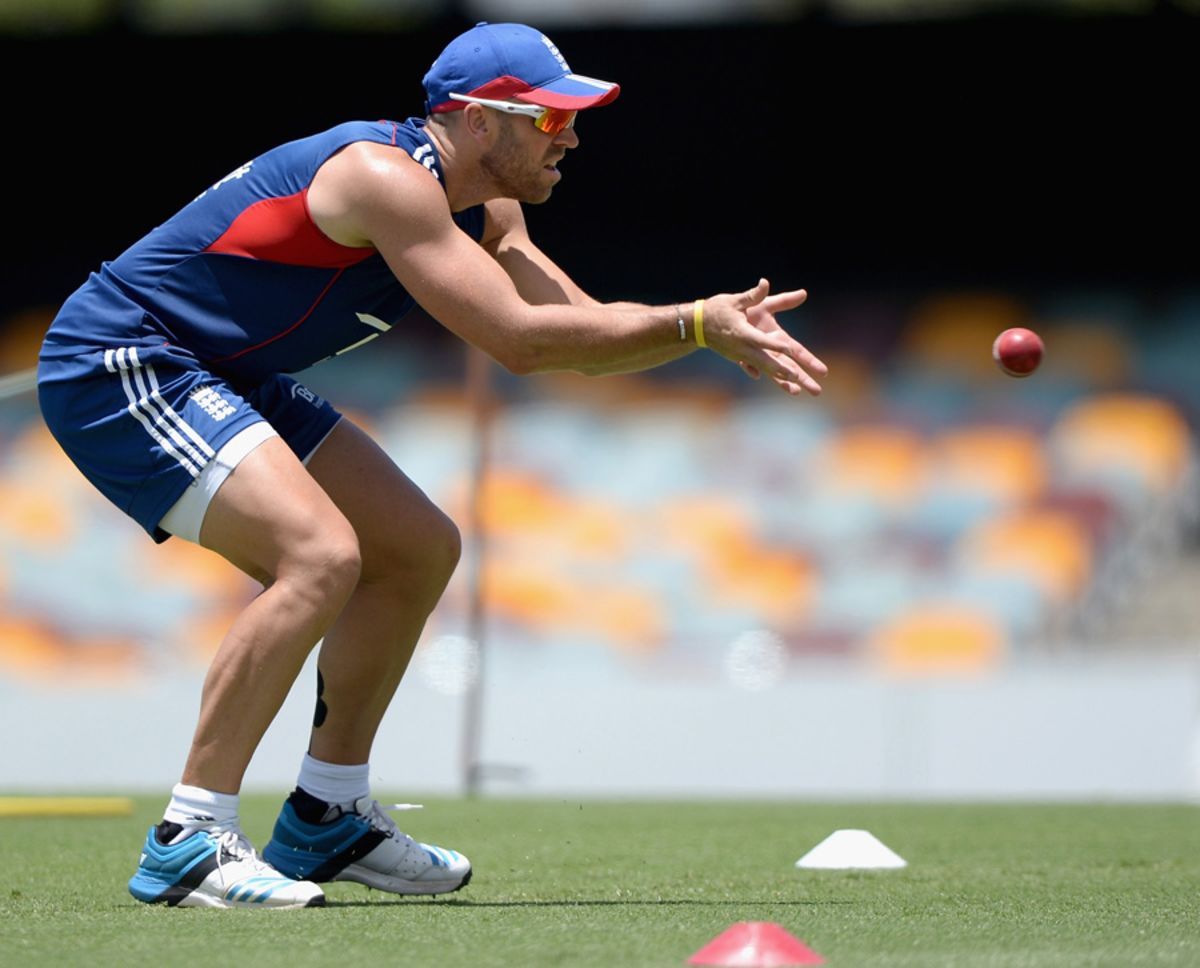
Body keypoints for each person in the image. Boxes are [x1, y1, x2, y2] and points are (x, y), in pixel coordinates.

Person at [36, 21, 827, 910]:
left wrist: (710, 333)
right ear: (477, 122)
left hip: (222, 372)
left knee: (415, 549)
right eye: (549, 118)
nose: (570, 136)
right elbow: (521, 342)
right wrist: (692, 322)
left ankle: (327, 816)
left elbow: (579, 329)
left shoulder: (488, 209)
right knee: (318, 556)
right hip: (123, 364)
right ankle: (189, 835)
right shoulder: (385, 179)